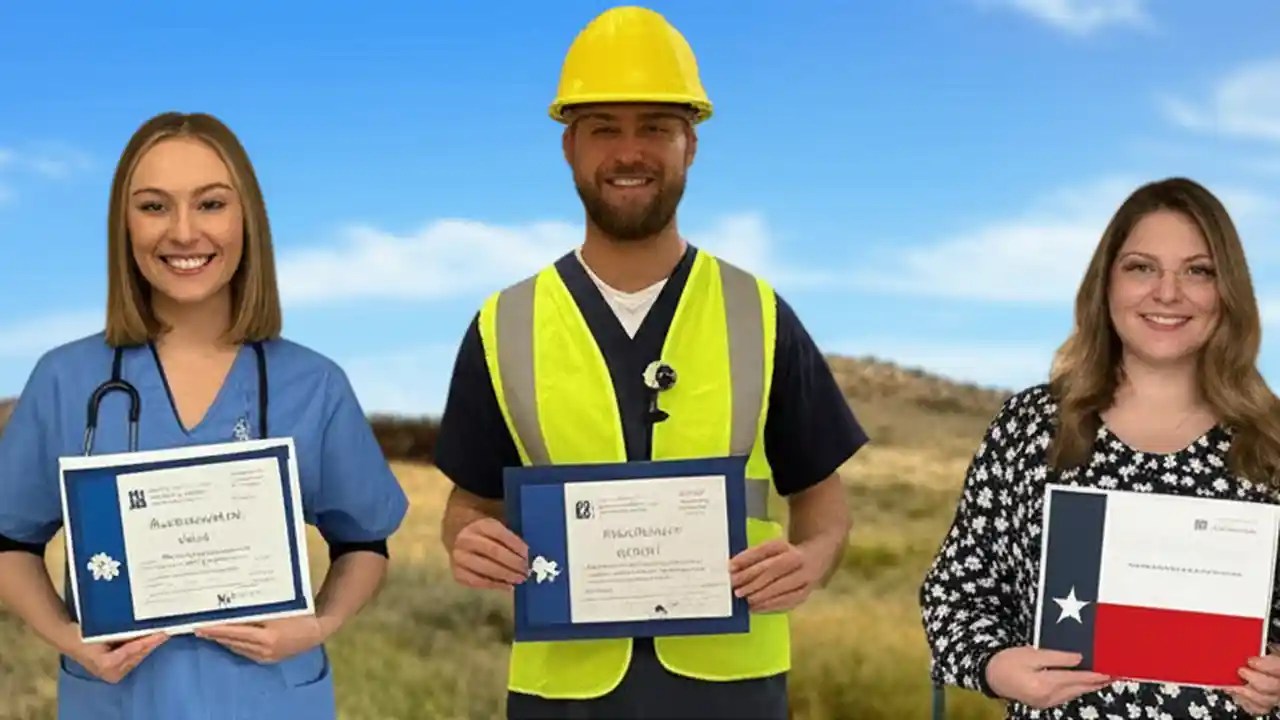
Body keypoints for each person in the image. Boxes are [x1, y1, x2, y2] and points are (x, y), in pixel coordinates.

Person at [433, 5, 866, 720]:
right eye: (605, 128)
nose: (629, 152)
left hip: (735, 691)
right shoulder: (502, 324)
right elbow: (465, 507)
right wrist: (467, 541)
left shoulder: (757, 312)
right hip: (561, 694)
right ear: (570, 146)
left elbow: (825, 507)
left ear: (690, 145)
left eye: (655, 128)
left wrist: (810, 562)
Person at [0, 111, 409, 720]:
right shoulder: (65, 379)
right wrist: (70, 641)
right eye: (154, 206)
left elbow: (363, 542)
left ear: (247, 219)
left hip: (273, 701)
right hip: (117, 702)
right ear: (123, 225)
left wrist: (318, 625)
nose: (184, 232)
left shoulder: (314, 383)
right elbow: (10, 541)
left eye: (211, 204)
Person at [919, 176, 1280, 718]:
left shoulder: (1272, 441)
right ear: (1106, 283)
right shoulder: (1032, 427)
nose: (1167, 292)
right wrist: (996, 667)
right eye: (1142, 267)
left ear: (1226, 291)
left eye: (1197, 271)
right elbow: (955, 596)